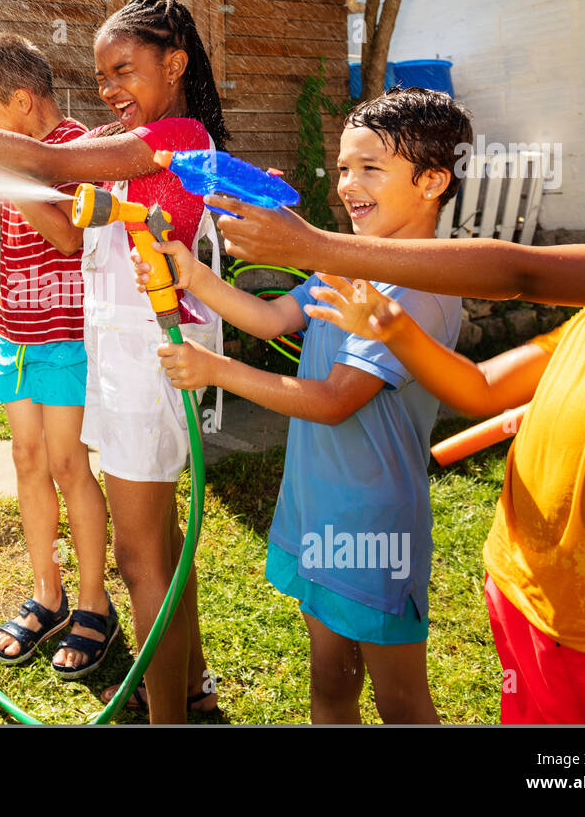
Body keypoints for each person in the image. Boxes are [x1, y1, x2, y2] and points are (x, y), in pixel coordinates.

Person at [213, 26, 585, 724]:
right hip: (533, 600)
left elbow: (520, 271)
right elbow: (476, 390)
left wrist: (319, 246)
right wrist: (391, 328)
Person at [0, 0, 227, 723]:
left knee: (142, 560)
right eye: (101, 77)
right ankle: (191, 693)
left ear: (176, 64)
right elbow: (30, 161)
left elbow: (46, 160)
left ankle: (171, 719)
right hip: (137, 363)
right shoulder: (129, 138)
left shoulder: (173, 135)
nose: (110, 89)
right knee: (159, 548)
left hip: (147, 366)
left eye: (124, 69)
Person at [135, 87, 468, 722]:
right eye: (344, 168)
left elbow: (335, 401)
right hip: (317, 505)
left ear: (431, 181)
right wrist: (191, 272)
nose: (349, 184)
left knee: (400, 700)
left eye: (371, 168)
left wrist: (215, 369)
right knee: (330, 683)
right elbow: (270, 318)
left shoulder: (420, 286)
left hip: (373, 526)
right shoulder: (343, 260)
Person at [0, 33, 111, 678]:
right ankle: (48, 593)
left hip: (67, 333)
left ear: (22, 100)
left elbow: (72, 240)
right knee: (27, 458)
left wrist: (10, 173)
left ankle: (95, 604)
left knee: (70, 464)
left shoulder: (78, 149)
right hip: (14, 332)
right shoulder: (3, 151)